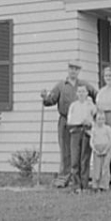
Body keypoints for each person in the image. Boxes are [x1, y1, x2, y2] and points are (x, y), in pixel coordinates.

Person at [40, 60, 98, 188]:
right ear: (68, 69)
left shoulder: (84, 85)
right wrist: (44, 97)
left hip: (82, 124)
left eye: (76, 69)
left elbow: (97, 95)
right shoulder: (61, 85)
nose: (73, 71)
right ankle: (65, 178)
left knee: (81, 152)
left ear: (79, 71)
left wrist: (94, 114)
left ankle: (81, 180)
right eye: (71, 68)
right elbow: (50, 100)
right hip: (65, 121)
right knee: (66, 150)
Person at [66, 84, 97, 193]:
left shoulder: (91, 105)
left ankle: (84, 185)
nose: (81, 94)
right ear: (76, 93)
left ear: (87, 93)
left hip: (87, 131)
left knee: (85, 159)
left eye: (83, 91)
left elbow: (97, 119)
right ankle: (76, 185)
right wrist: (78, 122)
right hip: (75, 131)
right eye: (79, 92)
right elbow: (69, 121)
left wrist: (90, 122)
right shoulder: (73, 106)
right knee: (75, 159)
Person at [90, 110, 111, 192]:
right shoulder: (94, 129)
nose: (101, 121)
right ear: (95, 120)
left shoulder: (107, 128)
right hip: (97, 150)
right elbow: (91, 141)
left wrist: (106, 149)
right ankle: (96, 185)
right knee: (97, 168)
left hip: (106, 149)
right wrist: (94, 149)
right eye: (99, 119)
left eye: (103, 119)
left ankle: (104, 185)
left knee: (105, 167)